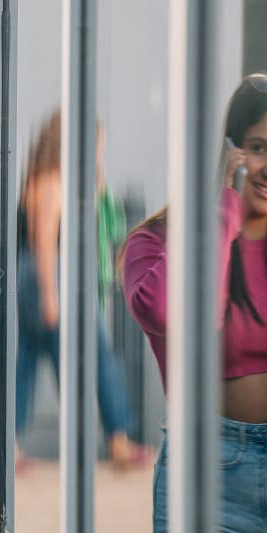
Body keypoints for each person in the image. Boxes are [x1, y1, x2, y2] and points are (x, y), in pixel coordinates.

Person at [121, 73, 267, 532]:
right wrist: (222, 210)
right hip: (210, 476)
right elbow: (167, 311)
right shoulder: (158, 240)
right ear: (228, 151)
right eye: (258, 148)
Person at [16, 110, 141, 469]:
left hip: (37, 274)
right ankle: (114, 439)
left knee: (26, 363)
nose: (99, 151)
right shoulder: (51, 181)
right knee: (91, 355)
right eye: (96, 144)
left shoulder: (46, 178)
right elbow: (44, 241)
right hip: (52, 274)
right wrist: (50, 295)